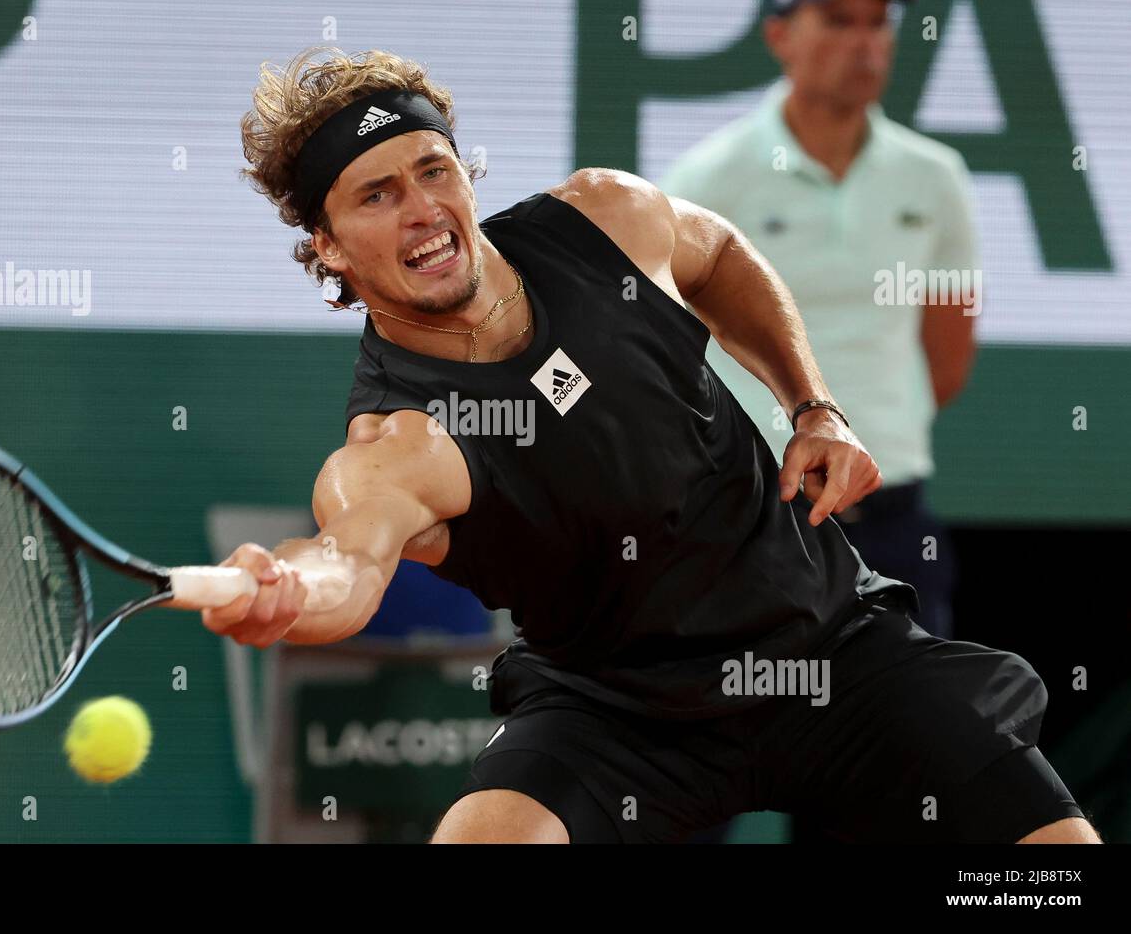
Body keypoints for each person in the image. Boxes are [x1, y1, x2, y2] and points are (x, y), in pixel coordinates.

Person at [212, 46, 1098, 843]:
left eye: (433, 169)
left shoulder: (604, 220)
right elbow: (347, 563)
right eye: (378, 194)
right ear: (326, 247)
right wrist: (290, 585)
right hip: (618, 713)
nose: (424, 210)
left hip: (827, 644)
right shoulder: (394, 442)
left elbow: (715, 255)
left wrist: (813, 406)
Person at [660, 0, 978, 640]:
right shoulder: (707, 178)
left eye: (876, 22)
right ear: (779, 34)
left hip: (894, 521)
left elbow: (946, 359)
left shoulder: (936, 178)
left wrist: (868, 448)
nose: (864, 44)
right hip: (750, 521)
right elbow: (669, 354)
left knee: (923, 736)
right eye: (837, 19)